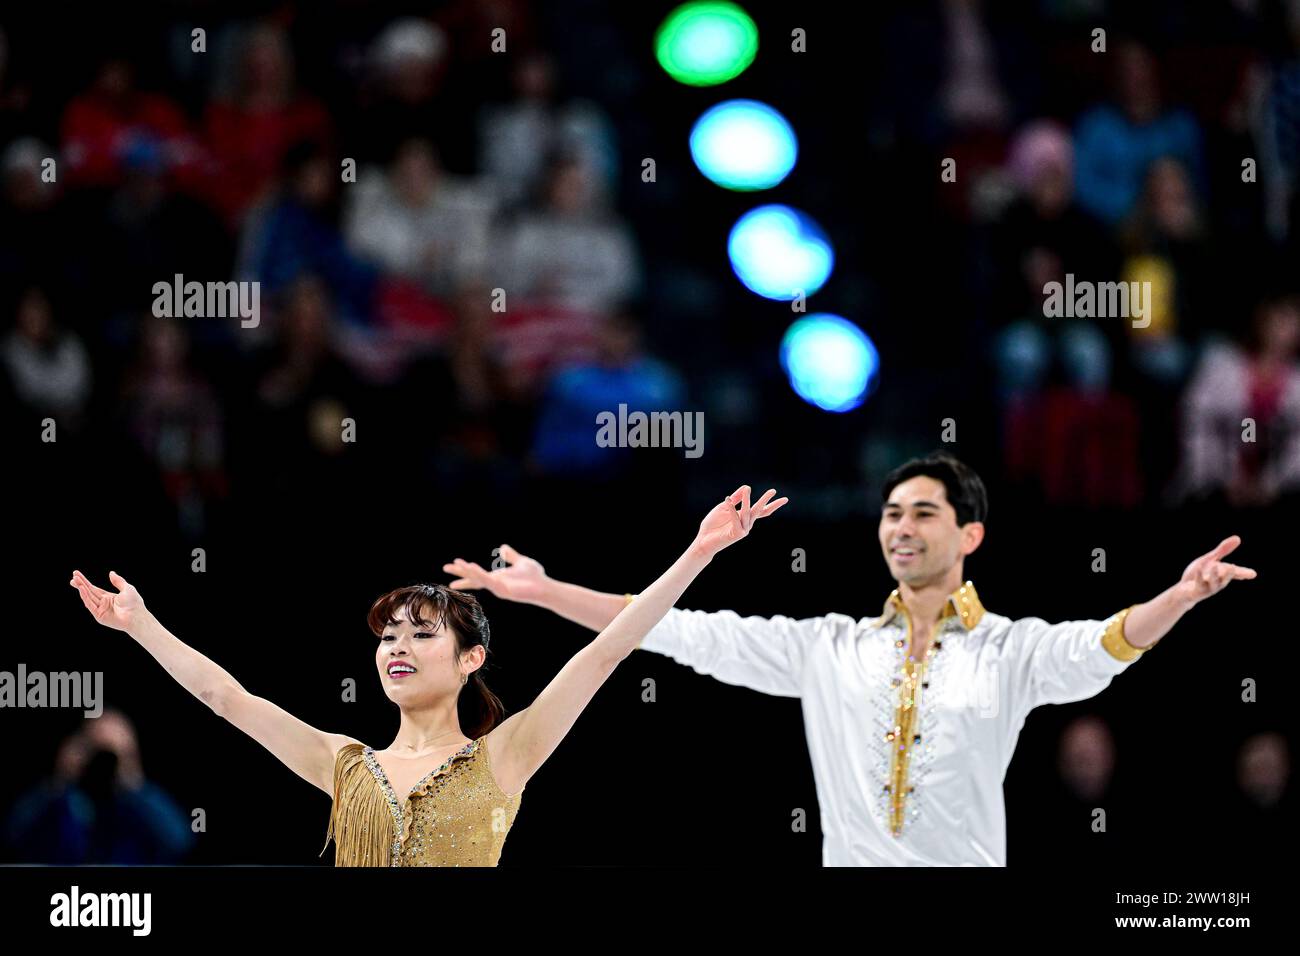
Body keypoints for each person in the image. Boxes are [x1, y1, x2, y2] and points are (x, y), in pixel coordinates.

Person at [443, 452, 1257, 866]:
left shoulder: (1011, 650)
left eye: (924, 513)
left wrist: (1179, 596)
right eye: (892, 513)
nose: (901, 527)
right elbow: (675, 630)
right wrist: (549, 593)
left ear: (970, 535)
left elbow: (1102, 645)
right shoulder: (827, 646)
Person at [68, 483, 787, 866]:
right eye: (388, 635)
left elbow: (605, 652)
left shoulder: (504, 756)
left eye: (421, 632)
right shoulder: (342, 764)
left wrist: (698, 553)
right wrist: (141, 625)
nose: (396, 646)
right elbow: (226, 697)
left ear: (470, 659)